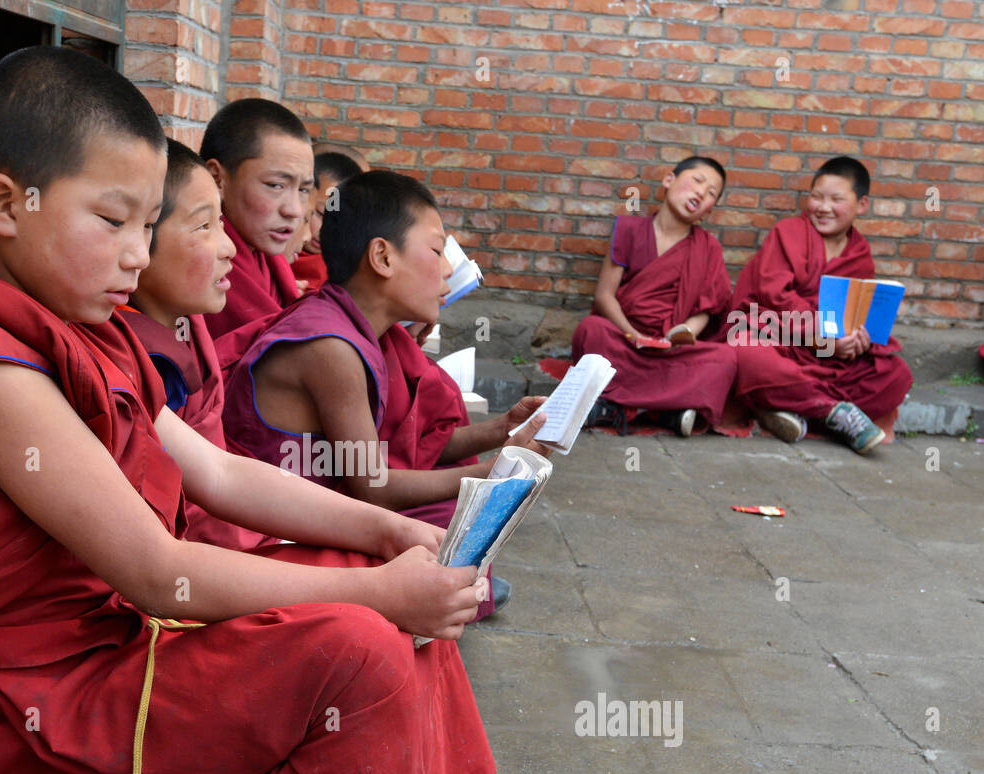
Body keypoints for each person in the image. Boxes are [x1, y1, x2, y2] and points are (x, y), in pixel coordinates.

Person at [0, 47, 519, 774]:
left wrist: (380, 540)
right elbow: (152, 568)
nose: (137, 256)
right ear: (4, 205)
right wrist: (378, 592)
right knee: (360, 646)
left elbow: (217, 471)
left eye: (150, 225)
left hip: (122, 653)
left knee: (364, 564)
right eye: (113, 221)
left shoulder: (86, 332)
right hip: (44, 720)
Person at [220, 170, 547, 615]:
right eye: (436, 250)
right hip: (275, 529)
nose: (450, 270)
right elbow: (372, 485)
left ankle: (460, 588)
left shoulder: (364, 331)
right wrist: (494, 472)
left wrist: (501, 430)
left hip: (325, 504)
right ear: (382, 257)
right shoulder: (331, 348)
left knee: (454, 515)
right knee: (454, 527)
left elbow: (405, 445)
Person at [122, 139, 272, 552]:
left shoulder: (189, 322)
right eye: (204, 226)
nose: (229, 248)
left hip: (235, 522)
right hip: (192, 552)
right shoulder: (138, 359)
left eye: (222, 224)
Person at [721, 156, 913, 454]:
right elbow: (773, 298)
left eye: (835, 199)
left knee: (896, 375)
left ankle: (787, 408)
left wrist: (857, 340)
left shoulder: (859, 253)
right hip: (781, 337)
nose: (823, 208)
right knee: (745, 353)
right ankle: (832, 412)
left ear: (861, 205)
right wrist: (822, 337)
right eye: (816, 197)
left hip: (829, 355)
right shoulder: (789, 233)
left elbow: (857, 313)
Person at [572, 156, 737, 437]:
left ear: (708, 212)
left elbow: (706, 310)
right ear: (669, 180)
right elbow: (604, 296)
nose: (701, 192)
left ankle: (614, 406)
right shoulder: (629, 229)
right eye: (697, 181)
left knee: (725, 359)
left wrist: (680, 336)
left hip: (671, 349)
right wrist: (631, 334)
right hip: (624, 339)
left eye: (711, 193)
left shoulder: (708, 248)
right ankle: (667, 411)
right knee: (591, 330)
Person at [198, 98, 311, 360]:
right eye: (275, 185)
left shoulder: (266, 256)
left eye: (304, 189)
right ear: (217, 178)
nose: (293, 209)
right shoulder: (198, 267)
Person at [291, 150, 363, 293]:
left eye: (340, 221)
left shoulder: (340, 272)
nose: (326, 230)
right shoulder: (270, 248)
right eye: (319, 213)